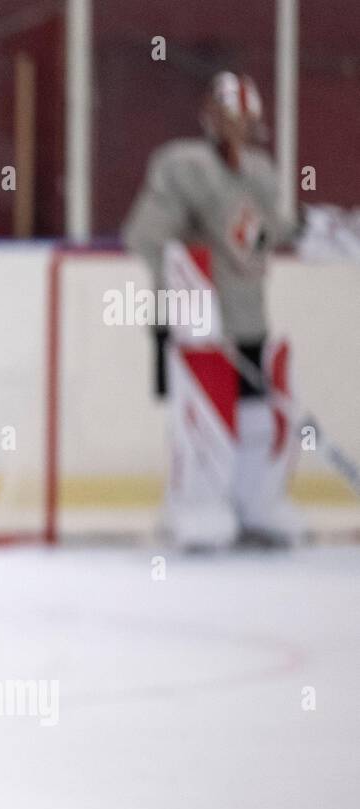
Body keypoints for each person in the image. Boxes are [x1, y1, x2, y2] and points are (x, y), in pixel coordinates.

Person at [123, 71, 303, 548]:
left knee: (255, 416)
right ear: (211, 118)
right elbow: (146, 236)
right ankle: (191, 506)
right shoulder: (184, 167)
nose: (236, 128)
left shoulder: (260, 173)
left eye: (244, 119)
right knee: (196, 417)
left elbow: (260, 237)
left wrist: (308, 228)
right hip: (193, 327)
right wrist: (189, 305)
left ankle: (251, 502)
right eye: (228, 118)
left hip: (247, 319)